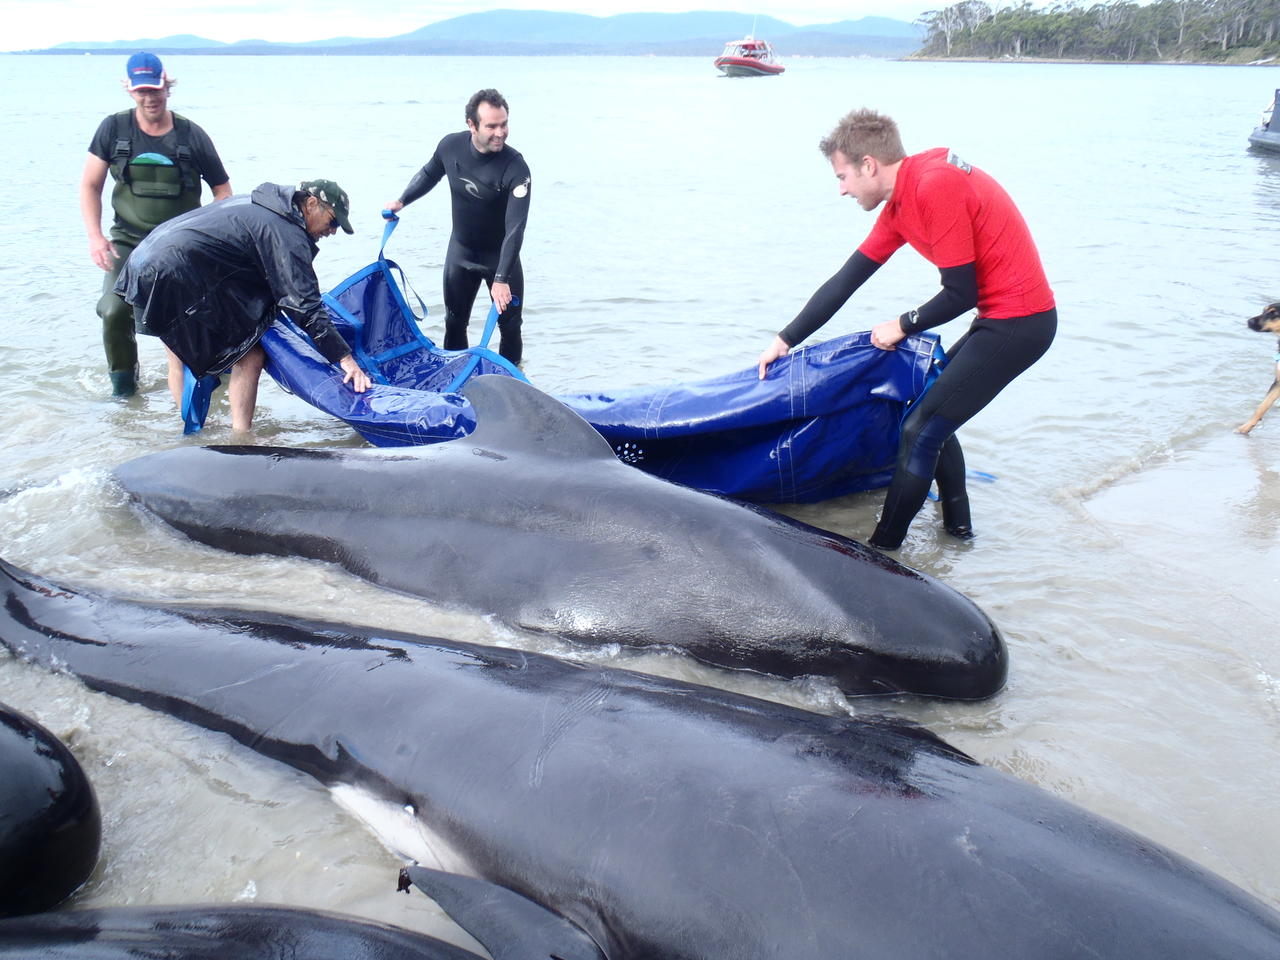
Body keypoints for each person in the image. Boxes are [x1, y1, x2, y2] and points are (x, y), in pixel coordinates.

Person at [757, 108, 1056, 550]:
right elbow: (846, 280)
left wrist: (901, 325)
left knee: (919, 428)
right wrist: (784, 340)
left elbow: (960, 292)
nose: (841, 189)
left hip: (1021, 321)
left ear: (869, 166)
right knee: (931, 410)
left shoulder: (935, 185)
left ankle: (881, 552)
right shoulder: (900, 204)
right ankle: (959, 531)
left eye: (842, 176)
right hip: (1000, 318)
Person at [114, 180, 372, 432]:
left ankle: (192, 433)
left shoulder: (260, 203)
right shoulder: (286, 231)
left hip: (145, 260)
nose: (333, 230)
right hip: (172, 273)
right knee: (250, 356)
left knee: (178, 355)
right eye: (333, 221)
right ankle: (241, 436)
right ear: (312, 203)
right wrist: (345, 359)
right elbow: (303, 303)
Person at [80, 51, 232, 398]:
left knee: (198, 317)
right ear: (130, 90)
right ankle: (124, 392)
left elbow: (223, 191)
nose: (150, 98)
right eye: (142, 91)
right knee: (115, 310)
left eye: (155, 90)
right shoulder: (113, 129)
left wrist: (206, 238)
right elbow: (90, 185)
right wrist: (95, 236)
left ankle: (212, 387)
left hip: (181, 246)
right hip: (128, 242)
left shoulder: (191, 135)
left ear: (167, 86)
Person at [384, 88, 531, 365]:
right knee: (454, 323)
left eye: (504, 124)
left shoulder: (515, 168)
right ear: (472, 125)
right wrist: (402, 201)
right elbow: (429, 173)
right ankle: (456, 385)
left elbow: (516, 228)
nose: (500, 132)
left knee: (510, 327)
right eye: (492, 126)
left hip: (501, 259)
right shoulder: (450, 147)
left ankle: (514, 389)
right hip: (460, 255)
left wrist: (501, 279)